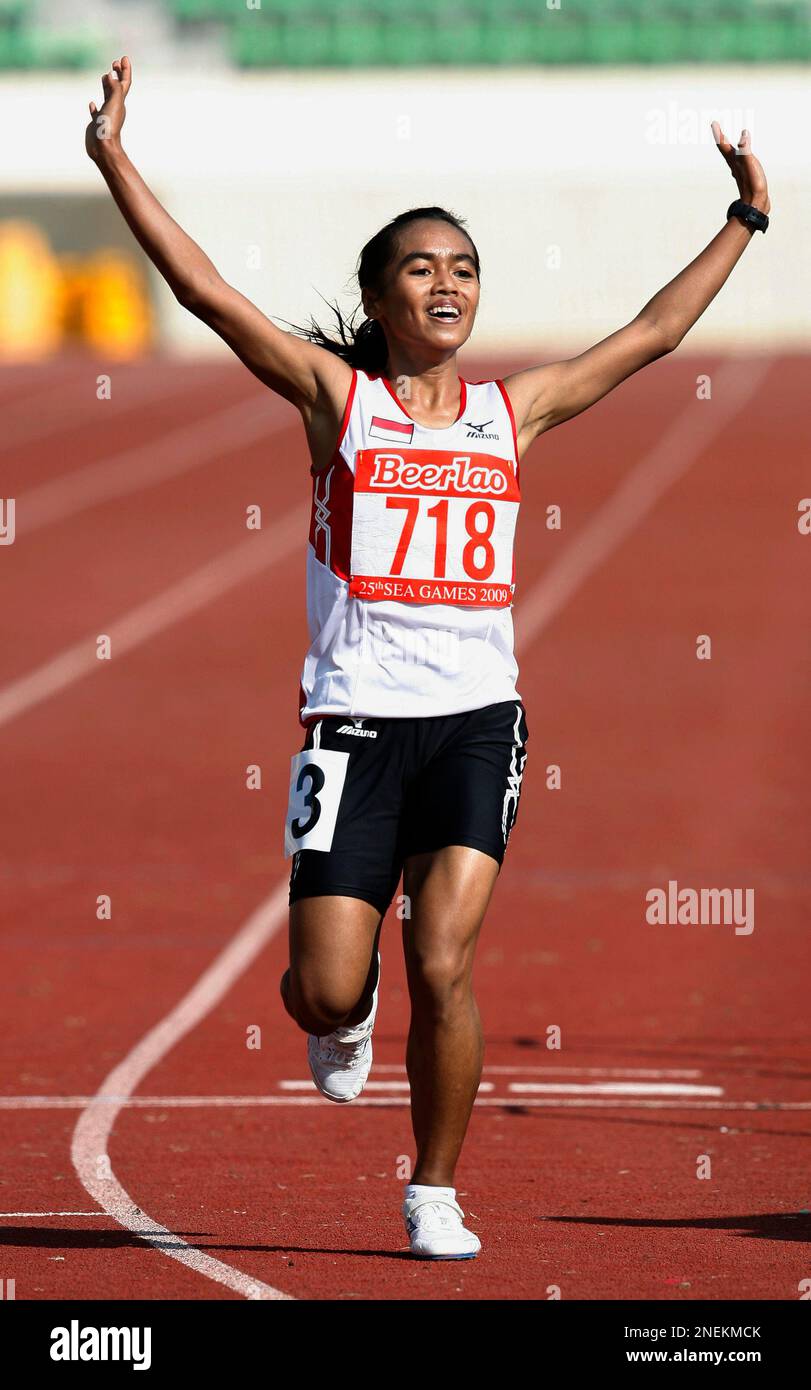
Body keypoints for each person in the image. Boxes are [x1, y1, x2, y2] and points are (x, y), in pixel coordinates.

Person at [87, 57, 770, 1261]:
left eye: (461, 266)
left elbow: (656, 335)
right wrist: (112, 160)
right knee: (332, 987)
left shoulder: (520, 410)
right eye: (421, 266)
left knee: (443, 959)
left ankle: (434, 1189)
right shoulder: (337, 402)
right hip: (352, 724)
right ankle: (332, 1021)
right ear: (380, 293)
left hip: (474, 719)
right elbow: (206, 294)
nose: (445, 283)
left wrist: (745, 218)